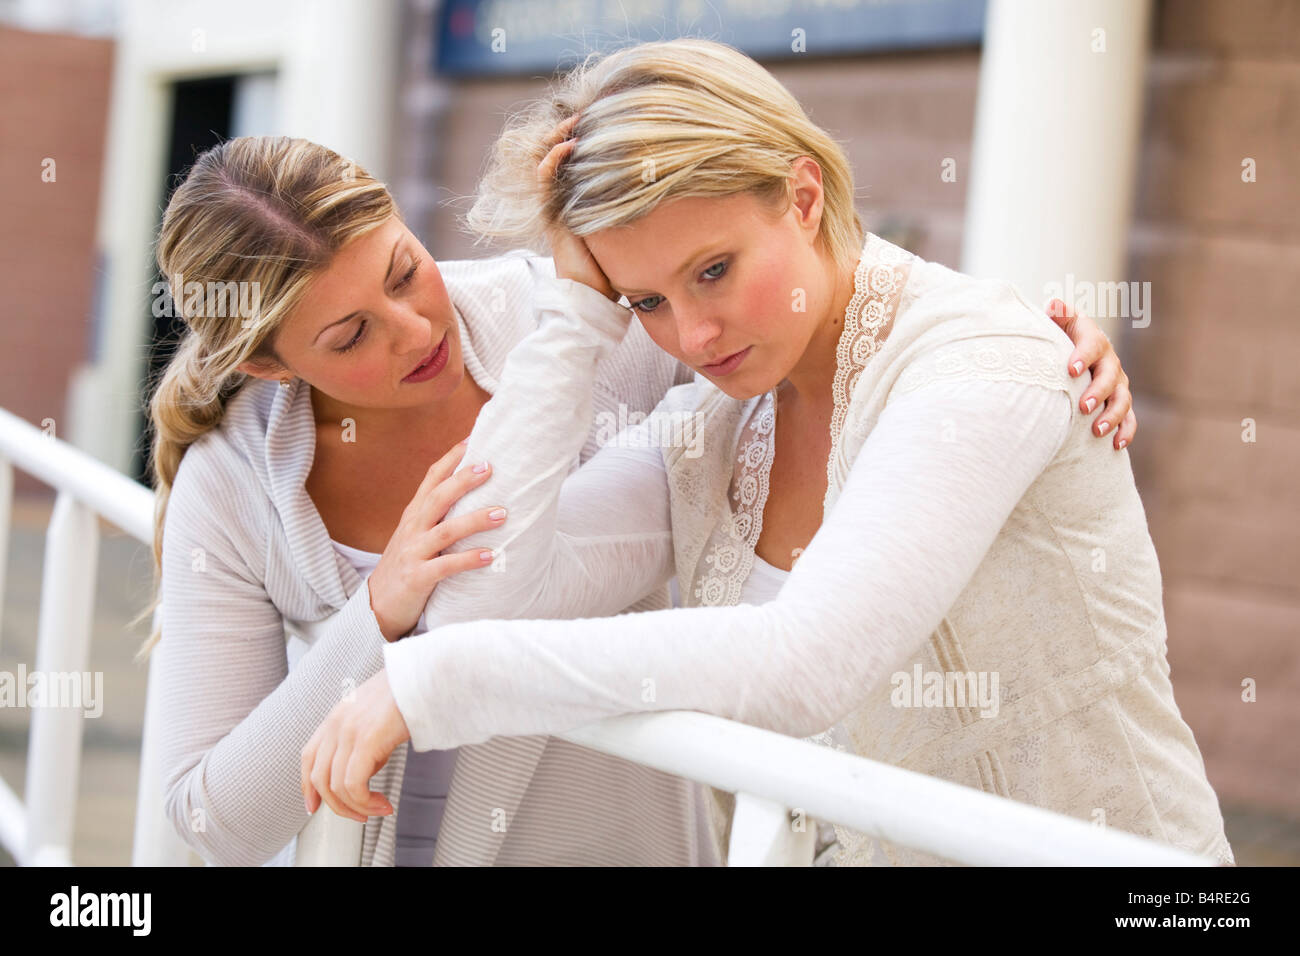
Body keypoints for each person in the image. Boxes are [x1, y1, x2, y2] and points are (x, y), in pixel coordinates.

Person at [301, 38, 1233, 866]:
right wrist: (575, 315)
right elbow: (478, 597)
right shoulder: (712, 428)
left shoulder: (980, 362)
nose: (695, 335)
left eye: (714, 270)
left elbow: (806, 660)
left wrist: (432, 685)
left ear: (802, 193)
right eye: (646, 302)